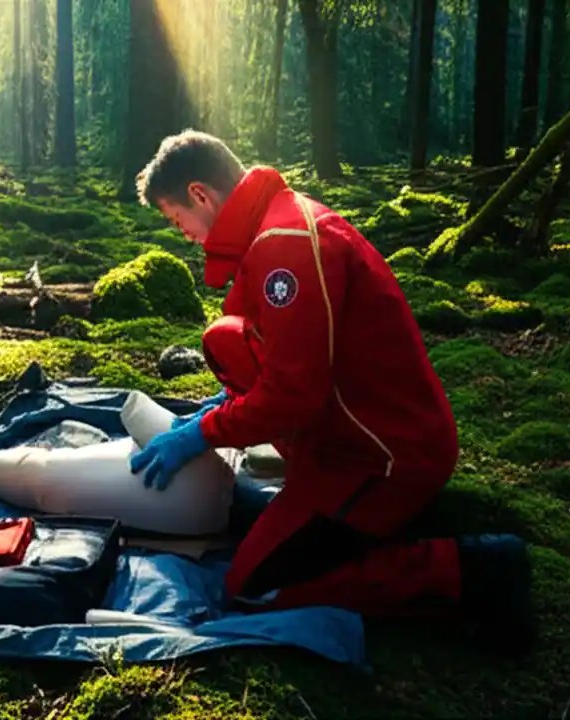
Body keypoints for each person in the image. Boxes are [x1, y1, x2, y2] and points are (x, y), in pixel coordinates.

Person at [127, 130, 535, 656]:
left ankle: (477, 567)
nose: (180, 233)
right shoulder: (272, 226)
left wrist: (207, 431)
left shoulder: (285, 247)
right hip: (346, 425)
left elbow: (294, 395)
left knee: (254, 584)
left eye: (175, 218)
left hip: (385, 454)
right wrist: (225, 413)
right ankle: (317, 503)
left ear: (201, 195)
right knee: (223, 338)